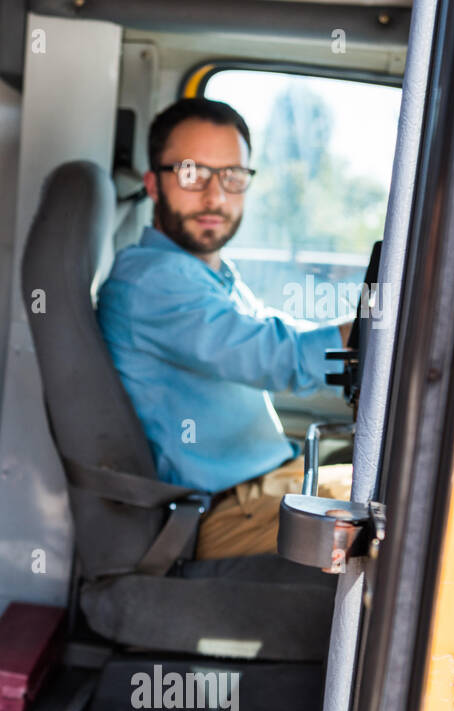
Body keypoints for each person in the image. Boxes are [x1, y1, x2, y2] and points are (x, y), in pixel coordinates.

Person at [97, 98, 353, 560]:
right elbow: (279, 357)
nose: (215, 196)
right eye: (193, 174)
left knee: (408, 486)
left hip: (269, 484)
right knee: (410, 519)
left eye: (232, 176)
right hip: (226, 512)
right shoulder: (154, 281)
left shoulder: (203, 272)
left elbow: (270, 334)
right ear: (154, 183)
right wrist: (363, 340)